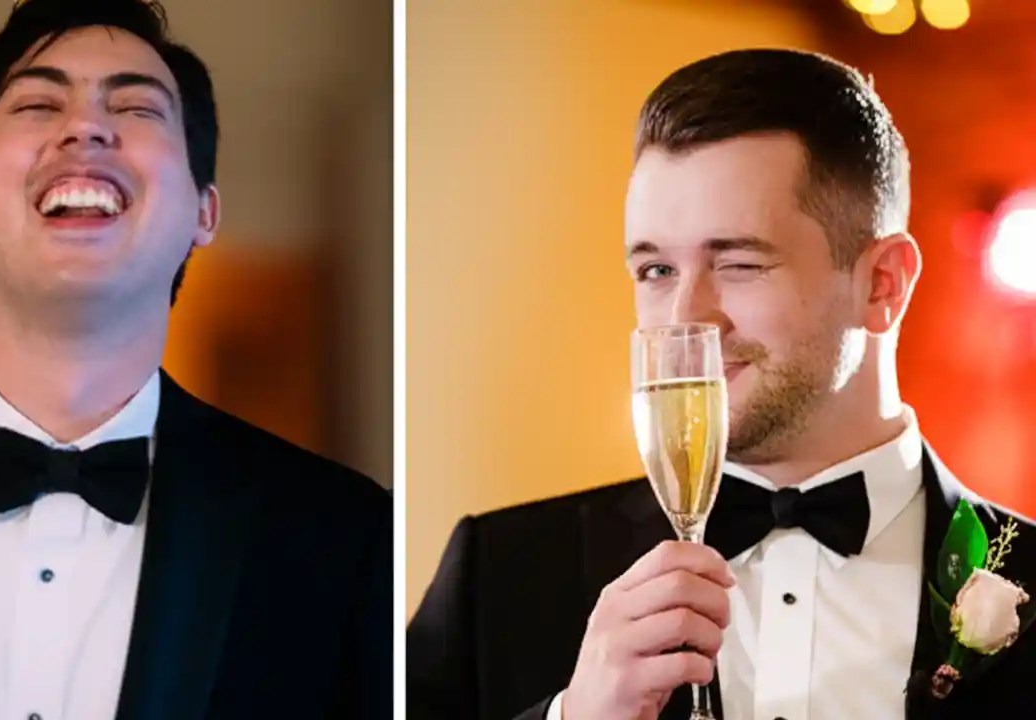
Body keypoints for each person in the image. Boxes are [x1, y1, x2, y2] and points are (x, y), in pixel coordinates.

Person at [0, 1, 391, 718]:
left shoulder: (344, 539)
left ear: (204, 212)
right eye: (37, 102)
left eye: (136, 108)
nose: (86, 127)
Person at [407, 48, 1035, 720]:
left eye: (738, 263)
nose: (685, 319)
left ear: (882, 284)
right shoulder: (499, 574)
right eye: (655, 271)